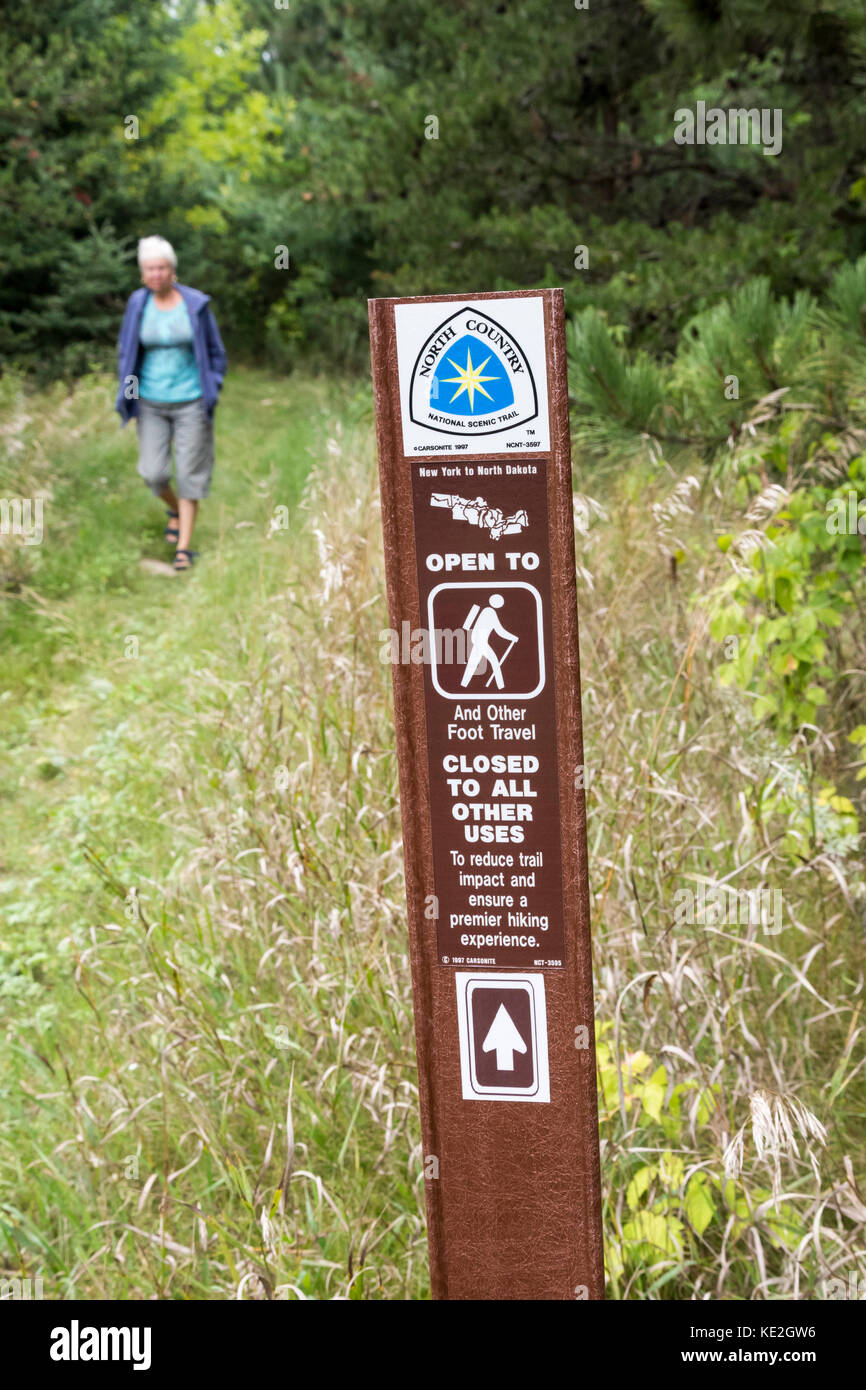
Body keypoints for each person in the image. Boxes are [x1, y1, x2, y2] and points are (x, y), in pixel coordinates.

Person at [116, 236, 227, 571]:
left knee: (190, 473)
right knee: (153, 473)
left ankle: (184, 549)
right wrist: (130, 397)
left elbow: (216, 352)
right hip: (150, 401)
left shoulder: (195, 304)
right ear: (143, 273)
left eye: (162, 267)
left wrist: (213, 386)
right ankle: (176, 509)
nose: (157, 274)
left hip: (191, 400)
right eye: (150, 268)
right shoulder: (138, 304)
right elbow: (127, 352)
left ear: (172, 270)